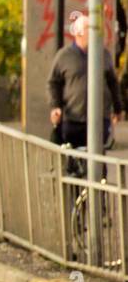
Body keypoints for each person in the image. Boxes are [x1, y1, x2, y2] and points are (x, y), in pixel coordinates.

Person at [48, 12, 122, 173]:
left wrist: (118, 108)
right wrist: (55, 106)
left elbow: (113, 83)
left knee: (98, 161)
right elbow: (54, 83)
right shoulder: (64, 56)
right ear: (79, 33)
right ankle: (75, 189)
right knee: (74, 161)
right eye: (89, 29)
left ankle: (98, 193)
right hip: (73, 118)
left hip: (98, 119)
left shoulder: (103, 54)